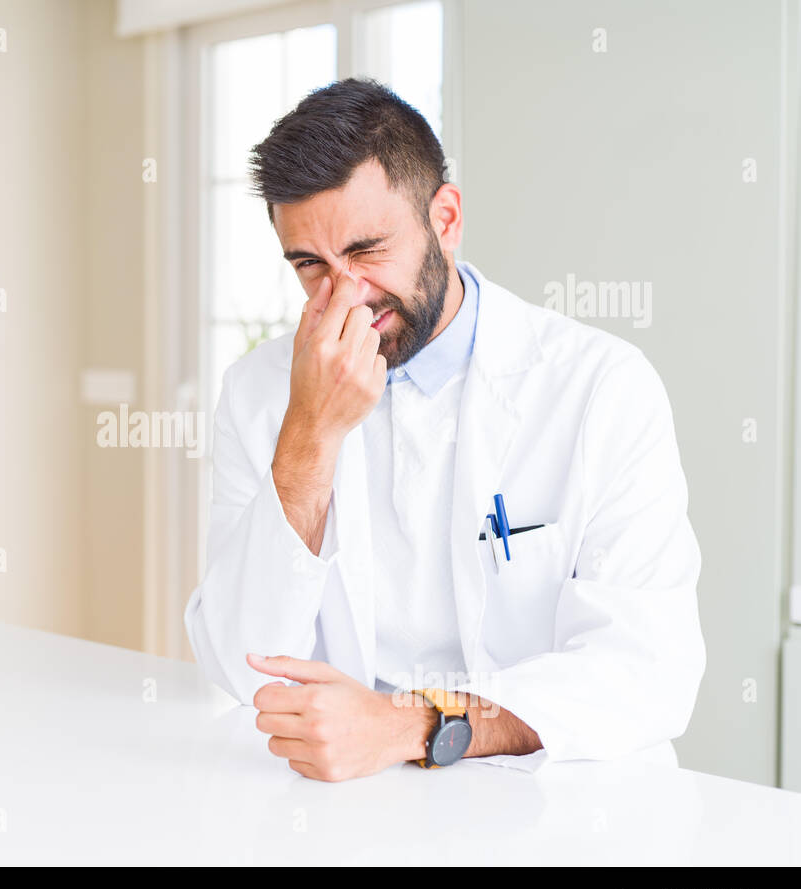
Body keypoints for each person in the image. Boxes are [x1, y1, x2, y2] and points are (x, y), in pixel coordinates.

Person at [183, 78, 704, 780]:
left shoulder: (602, 387)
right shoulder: (259, 393)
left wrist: (415, 724)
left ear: (447, 219)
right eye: (311, 266)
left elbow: (648, 669)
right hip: (351, 806)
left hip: (561, 801)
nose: (347, 297)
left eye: (367, 251)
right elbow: (243, 662)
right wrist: (309, 433)